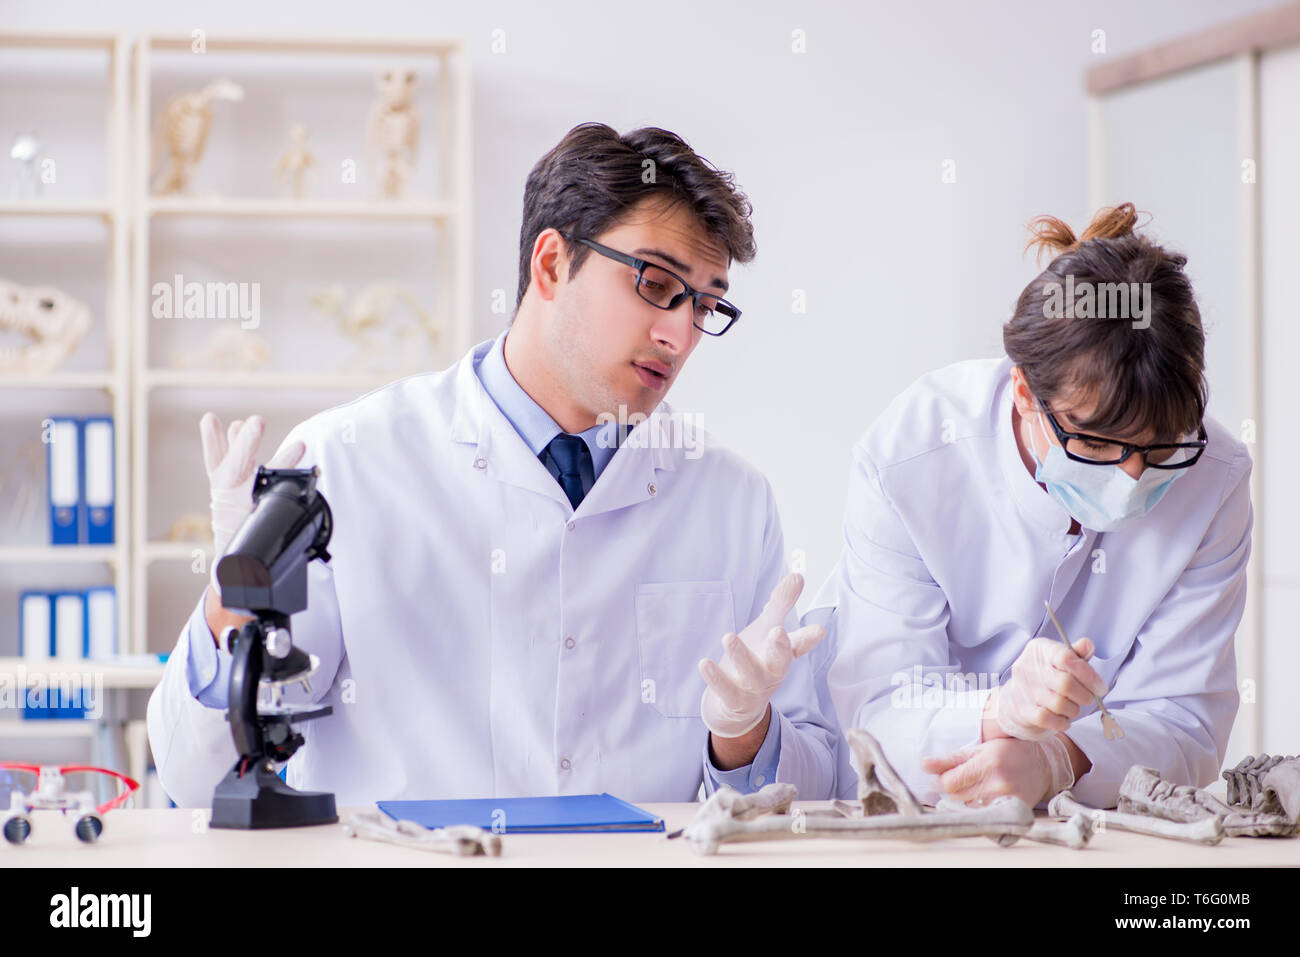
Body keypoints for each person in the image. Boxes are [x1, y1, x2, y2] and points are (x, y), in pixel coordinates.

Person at [147, 123, 839, 808]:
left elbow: (816, 795)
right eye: (657, 284)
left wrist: (744, 734)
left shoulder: (731, 501)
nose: (680, 333)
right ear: (549, 264)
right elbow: (194, 777)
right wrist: (232, 603)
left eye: (706, 303)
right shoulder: (346, 465)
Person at [817, 203, 1252, 809]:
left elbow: (1188, 722)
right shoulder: (913, 455)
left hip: (1095, 830)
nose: (1130, 477)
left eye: (1158, 448)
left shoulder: (1214, 475)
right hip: (908, 820)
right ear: (1024, 392)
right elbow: (879, 710)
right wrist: (999, 714)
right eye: (1096, 442)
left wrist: (1058, 760)